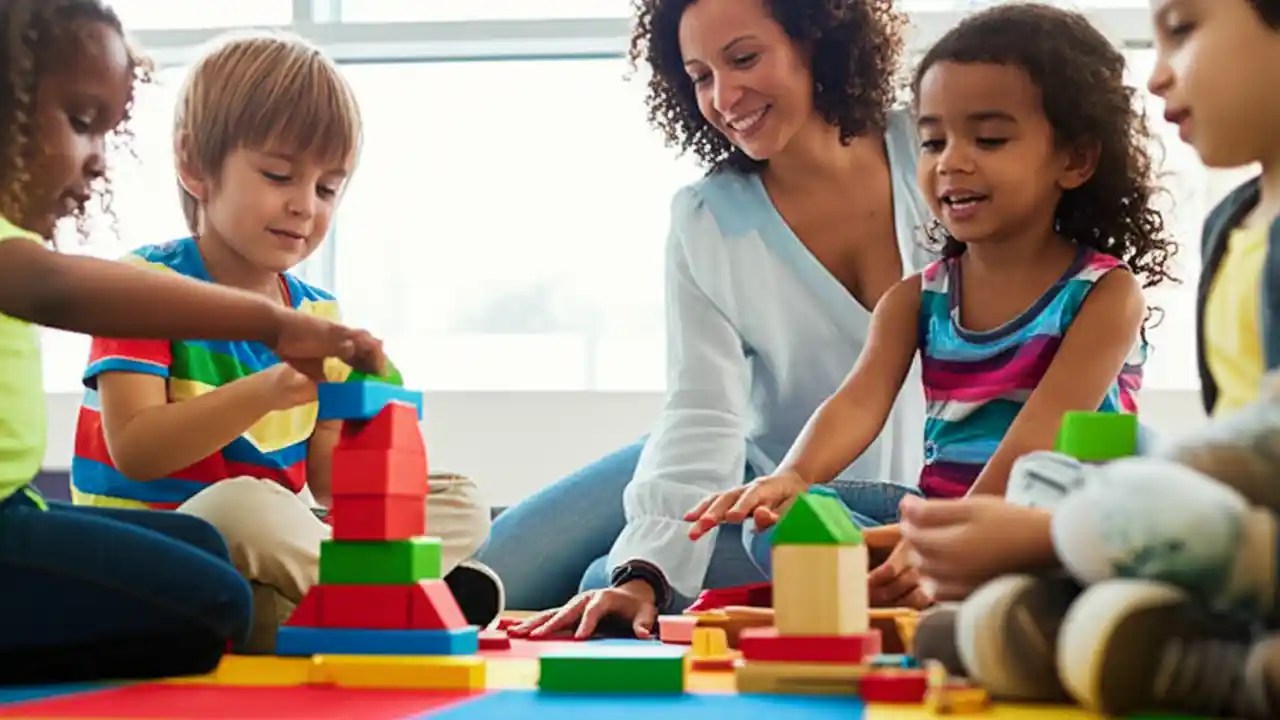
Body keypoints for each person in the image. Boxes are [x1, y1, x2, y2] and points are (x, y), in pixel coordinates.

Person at [488, 0, 936, 637]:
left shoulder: (935, 149)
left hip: (855, 508)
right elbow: (704, 413)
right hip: (748, 479)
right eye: (700, 76)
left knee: (598, 581)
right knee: (519, 572)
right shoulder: (707, 219)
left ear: (818, 38)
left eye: (744, 58)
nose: (725, 96)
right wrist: (643, 571)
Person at [69, 31, 500, 653]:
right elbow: (137, 451)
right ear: (195, 165)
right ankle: (389, 595)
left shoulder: (315, 314)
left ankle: (343, 598)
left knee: (460, 499)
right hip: (161, 550)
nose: (303, 206)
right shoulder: (143, 289)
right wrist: (268, 389)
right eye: (279, 175)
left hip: (271, 547)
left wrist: (376, 410)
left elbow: (326, 485)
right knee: (249, 506)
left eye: (327, 189)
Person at [906, 2, 1280, 717]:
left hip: (1240, 535)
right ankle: (1133, 639)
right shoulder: (1233, 226)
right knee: (994, 616)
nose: (1159, 72)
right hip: (1231, 531)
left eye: (1184, 30)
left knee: (1117, 508)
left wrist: (1057, 533)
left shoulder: (1104, 290)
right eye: (932, 140)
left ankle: (1231, 671)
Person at [0, 0, 385, 683]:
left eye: (107, 134)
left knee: (205, 550)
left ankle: (355, 593)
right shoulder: (48, 268)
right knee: (213, 598)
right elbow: (57, 287)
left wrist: (362, 409)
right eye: (81, 125)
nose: (96, 163)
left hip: (19, 510)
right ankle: (369, 601)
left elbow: (328, 481)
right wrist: (273, 331)